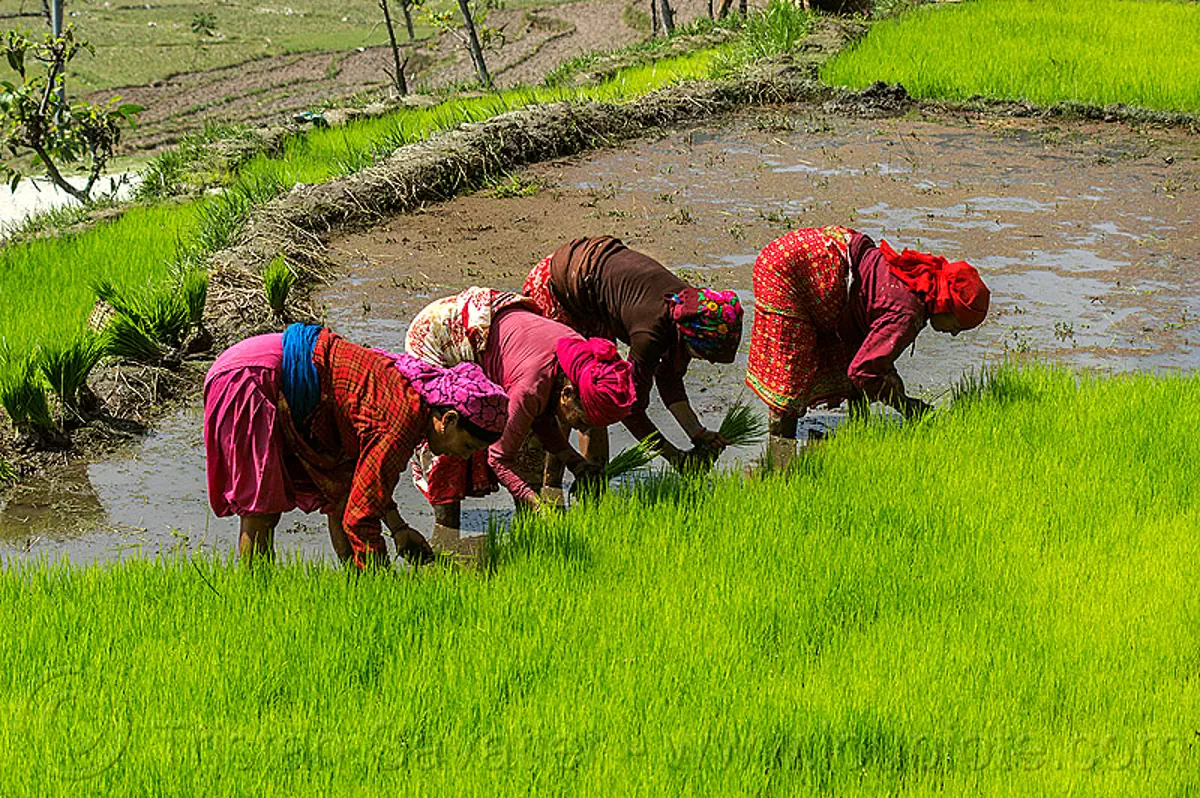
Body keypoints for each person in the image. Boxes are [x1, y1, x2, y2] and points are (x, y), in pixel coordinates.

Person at [204, 323, 508, 568]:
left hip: (262, 366)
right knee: (262, 510)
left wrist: (399, 529)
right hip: (252, 380)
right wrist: (382, 589)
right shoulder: (403, 418)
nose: (462, 455)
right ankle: (255, 598)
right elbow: (361, 518)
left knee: (345, 492)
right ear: (449, 420)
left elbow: (364, 486)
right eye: (467, 446)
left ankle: (353, 588)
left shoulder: (413, 396)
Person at [746, 226, 990, 460]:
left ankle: (855, 429)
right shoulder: (907, 314)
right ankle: (781, 450)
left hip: (820, 253)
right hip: (789, 270)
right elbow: (864, 373)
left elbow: (866, 361)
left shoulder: (919, 282)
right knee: (791, 369)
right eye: (957, 326)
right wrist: (907, 406)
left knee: (856, 353)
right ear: (947, 306)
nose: (954, 334)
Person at [406, 287, 637, 527]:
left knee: (528, 443)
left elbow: (541, 418)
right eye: (580, 422)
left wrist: (577, 464)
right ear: (567, 395)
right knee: (453, 435)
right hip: (440, 336)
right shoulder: (531, 387)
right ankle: (447, 534)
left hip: (497, 335)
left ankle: (528, 527)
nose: (578, 428)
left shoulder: (579, 361)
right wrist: (537, 504)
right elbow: (498, 458)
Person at [523, 236, 743, 473]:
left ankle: (593, 479)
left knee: (598, 395)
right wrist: (674, 457)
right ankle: (551, 482)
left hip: (595, 299)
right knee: (575, 396)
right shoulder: (651, 333)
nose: (705, 360)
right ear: (692, 337)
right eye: (704, 354)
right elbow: (629, 408)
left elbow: (669, 378)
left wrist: (697, 434)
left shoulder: (688, 312)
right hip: (559, 287)